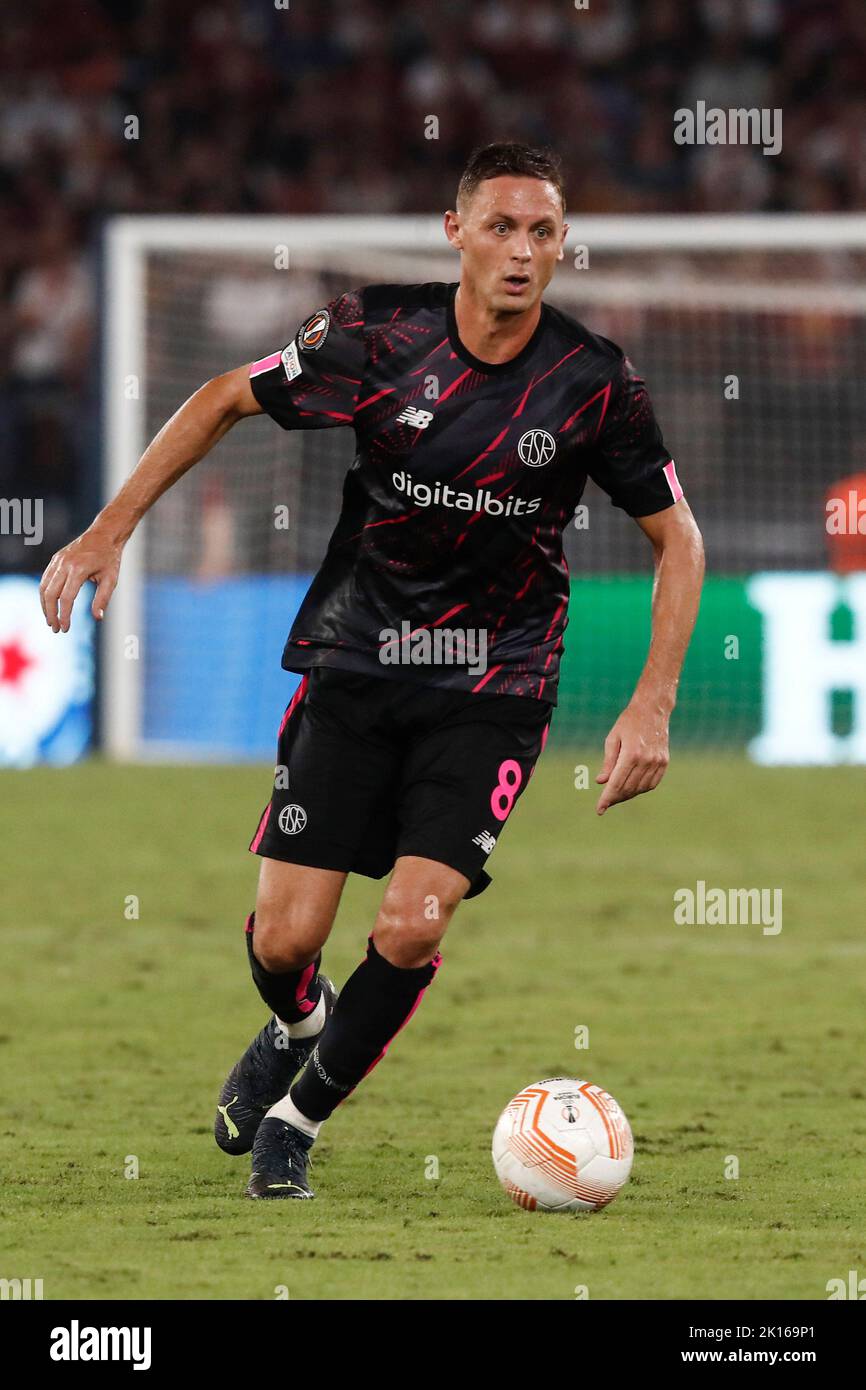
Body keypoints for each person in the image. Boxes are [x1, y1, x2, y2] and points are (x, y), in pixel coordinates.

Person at [40, 141, 704, 1200]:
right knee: (284, 936)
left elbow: (679, 540)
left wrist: (652, 699)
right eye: (500, 226)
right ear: (456, 233)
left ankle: (295, 1126)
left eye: (541, 231)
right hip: (356, 660)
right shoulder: (374, 334)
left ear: (560, 245)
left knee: (409, 921)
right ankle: (296, 1021)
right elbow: (220, 397)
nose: (522, 250)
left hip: (493, 688)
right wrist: (110, 528)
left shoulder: (592, 382)